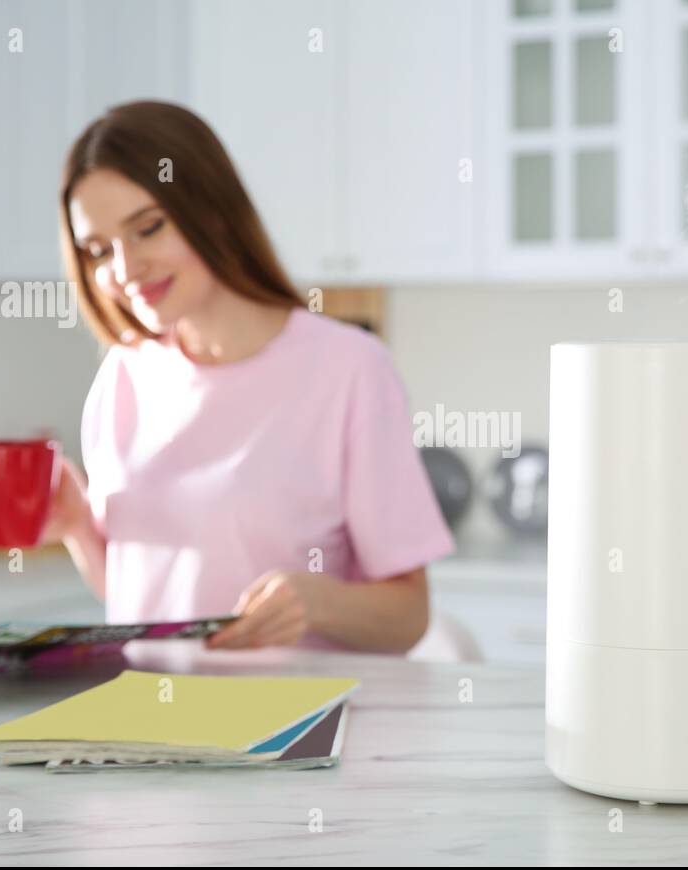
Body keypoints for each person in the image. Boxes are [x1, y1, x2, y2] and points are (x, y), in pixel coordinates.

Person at [40, 101, 454, 654]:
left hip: (288, 730)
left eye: (148, 228)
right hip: (147, 727)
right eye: (98, 250)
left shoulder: (349, 369)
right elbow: (145, 605)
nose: (124, 269)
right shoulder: (122, 375)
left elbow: (410, 615)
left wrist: (315, 600)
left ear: (212, 210)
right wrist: (76, 529)